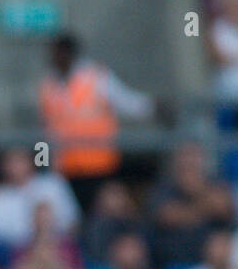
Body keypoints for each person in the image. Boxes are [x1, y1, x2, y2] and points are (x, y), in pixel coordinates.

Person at [39, 32, 155, 211]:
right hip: (66, 168)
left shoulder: (96, 77)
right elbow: (47, 129)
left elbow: (127, 102)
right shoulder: (48, 84)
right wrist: (45, 164)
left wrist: (153, 108)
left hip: (99, 164)